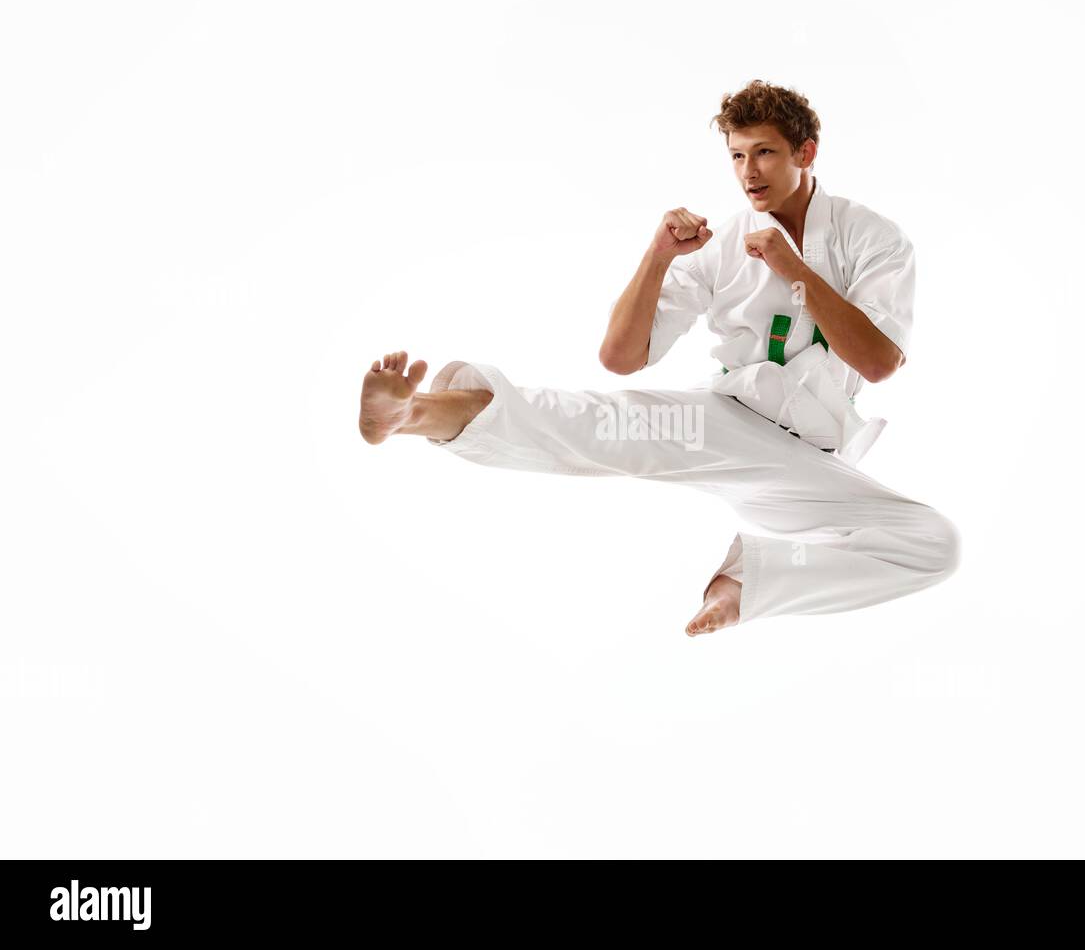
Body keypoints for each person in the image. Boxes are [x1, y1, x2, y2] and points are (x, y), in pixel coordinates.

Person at [357, 80, 960, 637]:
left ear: (806, 153)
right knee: (591, 423)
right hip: (724, 425)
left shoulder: (873, 237)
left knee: (934, 544)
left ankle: (753, 578)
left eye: (766, 153)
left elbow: (880, 363)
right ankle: (413, 413)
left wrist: (791, 267)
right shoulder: (722, 242)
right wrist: (659, 255)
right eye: (737, 155)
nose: (749, 172)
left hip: (808, 464)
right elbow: (620, 359)